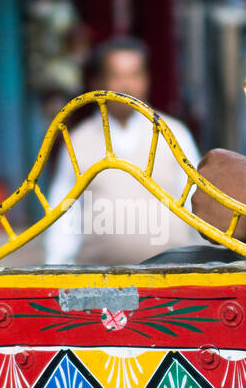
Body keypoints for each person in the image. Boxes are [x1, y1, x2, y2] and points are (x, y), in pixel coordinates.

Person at [43, 38, 205, 265]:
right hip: (98, 282)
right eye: (116, 76)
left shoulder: (174, 133)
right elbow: (64, 211)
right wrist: (57, 266)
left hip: (172, 279)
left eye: (134, 75)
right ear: (97, 82)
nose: (126, 85)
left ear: (146, 79)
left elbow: (195, 201)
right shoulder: (77, 141)